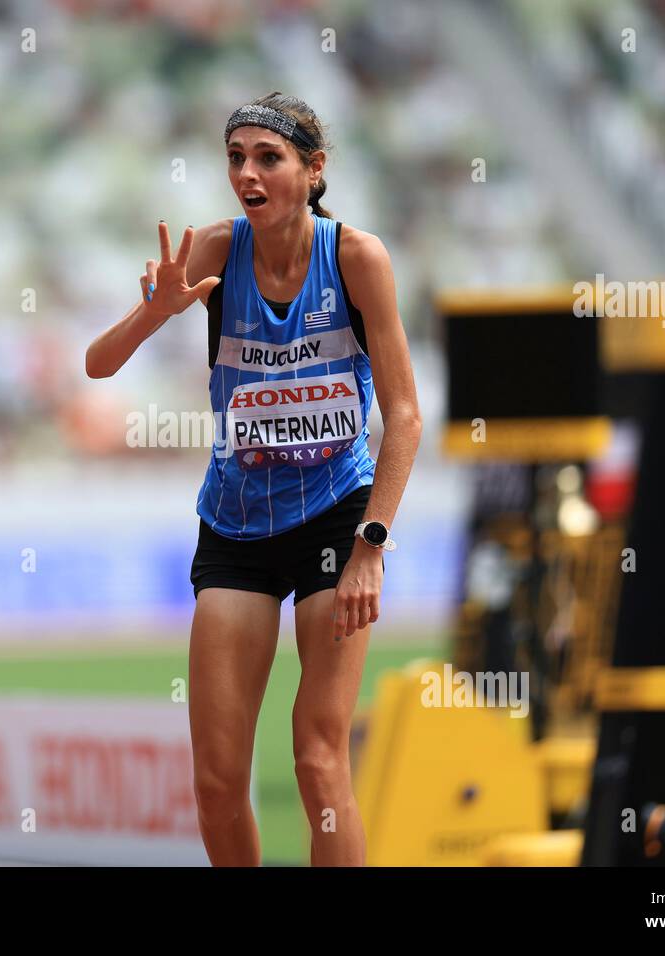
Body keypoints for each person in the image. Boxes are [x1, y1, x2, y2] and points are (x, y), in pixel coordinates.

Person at [86, 93, 421, 866]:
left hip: (338, 519)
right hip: (236, 527)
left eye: (268, 157)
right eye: (235, 157)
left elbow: (403, 417)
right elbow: (98, 364)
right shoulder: (211, 250)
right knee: (215, 780)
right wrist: (155, 312)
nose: (247, 173)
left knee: (318, 758)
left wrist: (372, 543)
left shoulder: (356, 259)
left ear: (313, 170)